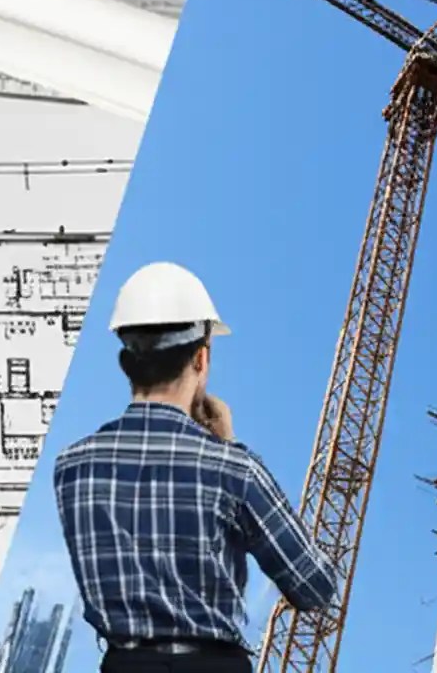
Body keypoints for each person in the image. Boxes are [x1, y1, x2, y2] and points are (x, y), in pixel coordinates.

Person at [53, 261, 338, 673]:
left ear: (125, 361)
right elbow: (315, 587)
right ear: (201, 359)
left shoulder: (72, 467)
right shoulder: (234, 469)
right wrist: (228, 445)